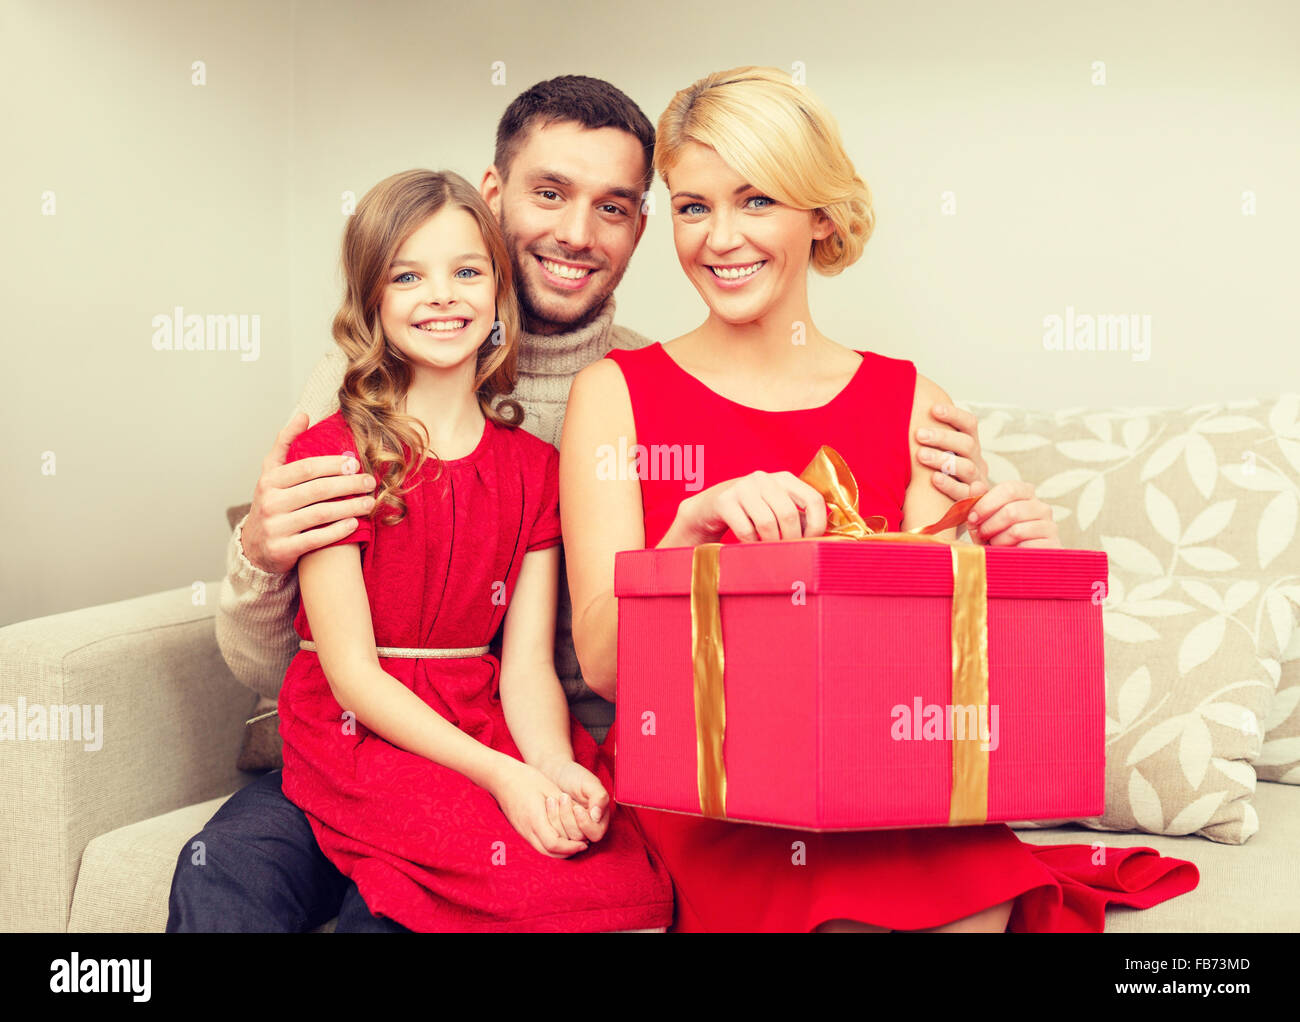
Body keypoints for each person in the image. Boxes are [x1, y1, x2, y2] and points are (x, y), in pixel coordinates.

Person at [168, 75, 993, 932]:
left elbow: (899, 651)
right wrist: (262, 556)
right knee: (231, 876)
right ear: (494, 199)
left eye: (614, 207)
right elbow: (276, 667)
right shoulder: (359, 395)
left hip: (526, 746)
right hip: (349, 746)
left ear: (640, 222)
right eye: (550, 193)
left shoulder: (621, 394)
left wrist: (984, 546)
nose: (575, 233)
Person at [560, 66, 1200, 932]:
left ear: (819, 214)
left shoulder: (912, 403)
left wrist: (1009, 571)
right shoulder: (615, 393)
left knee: (979, 904)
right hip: (707, 787)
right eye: (693, 206)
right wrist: (684, 534)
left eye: (757, 201)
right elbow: (602, 666)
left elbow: (925, 686)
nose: (719, 238)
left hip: (874, 782)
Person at [276, 167, 673, 931]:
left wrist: (550, 766)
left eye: (466, 272)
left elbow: (524, 666)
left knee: (606, 877)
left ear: (499, 294)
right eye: (408, 276)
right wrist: (505, 779)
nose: (442, 295)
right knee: (475, 879)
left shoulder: (532, 470)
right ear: (372, 300)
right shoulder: (332, 456)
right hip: (358, 731)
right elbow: (353, 674)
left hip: (478, 715)